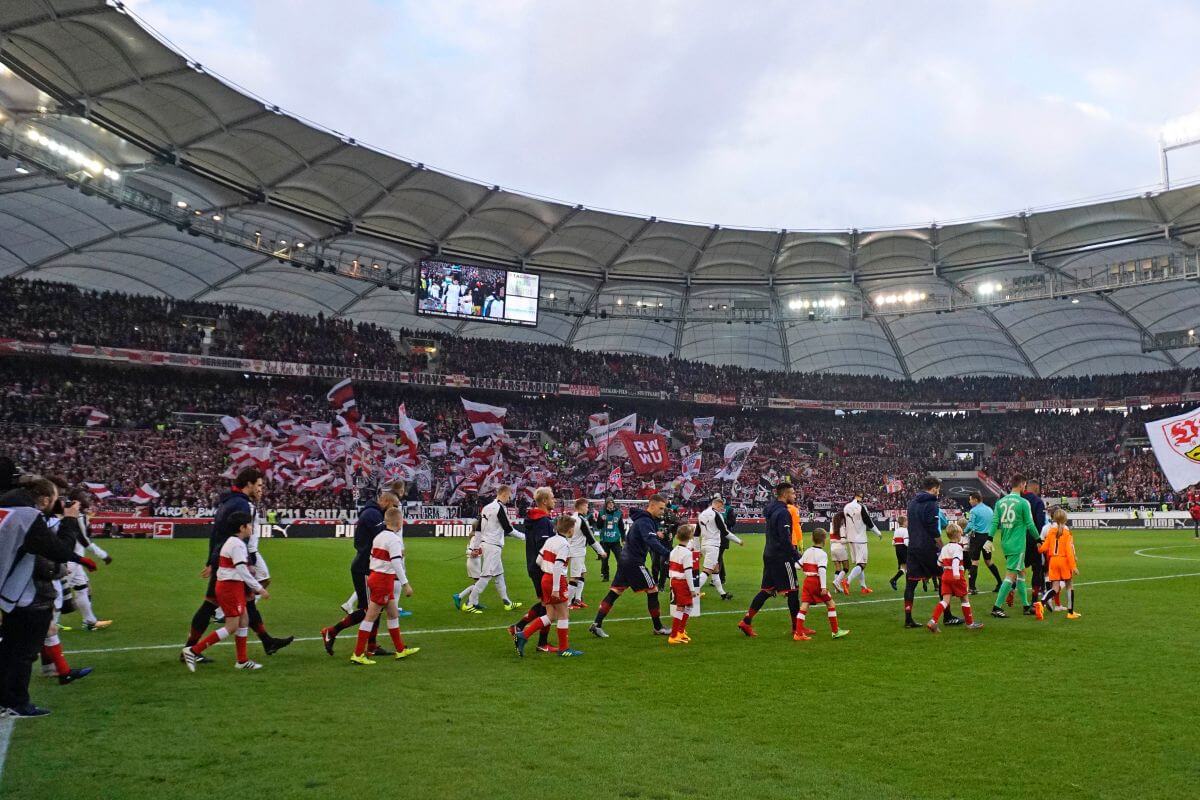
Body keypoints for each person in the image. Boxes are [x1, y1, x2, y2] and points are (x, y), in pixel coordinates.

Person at [0, 477, 97, 717]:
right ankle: (18, 703)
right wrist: (71, 519)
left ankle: (5, 699)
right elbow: (58, 550)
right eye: (54, 498)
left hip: (8, 590)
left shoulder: (8, 509)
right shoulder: (28, 516)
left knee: (9, 650)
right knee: (23, 653)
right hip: (24, 593)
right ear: (44, 499)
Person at [186, 469, 292, 659]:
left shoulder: (228, 502)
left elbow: (215, 533)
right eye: (258, 484)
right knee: (210, 605)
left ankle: (267, 641)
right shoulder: (242, 505)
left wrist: (211, 560)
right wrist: (247, 562)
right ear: (249, 484)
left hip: (223, 559)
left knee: (248, 602)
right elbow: (240, 536)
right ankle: (191, 649)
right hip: (232, 562)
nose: (260, 488)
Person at [182, 512, 268, 671]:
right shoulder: (236, 545)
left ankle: (242, 661)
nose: (251, 527)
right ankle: (193, 650)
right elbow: (242, 570)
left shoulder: (234, 542)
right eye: (249, 525)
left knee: (244, 620)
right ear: (242, 528)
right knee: (232, 626)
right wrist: (259, 588)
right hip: (230, 588)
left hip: (232, 586)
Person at [321, 489, 399, 656]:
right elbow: (382, 539)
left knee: (374, 607)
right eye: (394, 505)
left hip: (368, 566)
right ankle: (332, 631)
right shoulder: (373, 514)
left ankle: (371, 646)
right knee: (370, 609)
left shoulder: (373, 513)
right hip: (364, 567)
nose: (396, 510)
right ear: (385, 501)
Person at [588, 494, 672, 639]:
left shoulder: (643, 520)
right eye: (661, 508)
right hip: (634, 562)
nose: (662, 511)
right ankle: (658, 627)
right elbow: (650, 540)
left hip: (625, 560)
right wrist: (669, 553)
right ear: (652, 506)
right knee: (653, 590)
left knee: (615, 592)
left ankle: (597, 624)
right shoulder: (645, 521)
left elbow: (647, 537)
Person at [350, 507, 420, 664]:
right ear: (399, 522)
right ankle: (358, 653)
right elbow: (396, 562)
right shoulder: (394, 539)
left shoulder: (379, 536)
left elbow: (372, 556)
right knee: (371, 616)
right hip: (383, 580)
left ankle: (400, 650)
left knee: (393, 614)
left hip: (377, 577)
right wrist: (406, 584)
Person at [737, 482, 803, 639]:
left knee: (767, 590)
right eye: (793, 493)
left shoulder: (772, 510)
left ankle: (746, 621)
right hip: (781, 557)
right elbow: (785, 539)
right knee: (793, 591)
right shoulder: (783, 512)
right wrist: (796, 556)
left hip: (769, 554)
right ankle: (797, 629)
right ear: (785, 494)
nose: (794, 496)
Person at [514, 516, 582, 658]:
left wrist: (547, 571)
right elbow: (558, 566)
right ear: (570, 530)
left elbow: (539, 560)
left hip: (545, 578)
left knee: (550, 615)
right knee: (564, 614)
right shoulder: (564, 544)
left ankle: (523, 635)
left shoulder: (549, 540)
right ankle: (564, 648)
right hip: (555, 580)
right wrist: (556, 587)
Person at [508, 487, 558, 653]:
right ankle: (541, 643)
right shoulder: (543, 522)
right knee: (550, 607)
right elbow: (544, 548)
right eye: (552, 497)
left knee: (546, 604)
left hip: (533, 566)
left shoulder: (534, 519)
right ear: (544, 501)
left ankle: (519, 627)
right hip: (541, 568)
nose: (555, 500)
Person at [460, 486, 525, 613]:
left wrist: (474, 547)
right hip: (493, 546)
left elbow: (478, 529)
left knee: (499, 575)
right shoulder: (499, 508)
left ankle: (507, 602)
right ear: (505, 494)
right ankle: (469, 603)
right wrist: (525, 537)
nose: (509, 498)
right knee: (486, 576)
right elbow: (509, 529)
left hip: (487, 544)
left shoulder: (486, 508)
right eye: (509, 495)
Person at [989, 474, 1043, 620]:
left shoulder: (1000, 502)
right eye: (1024, 485)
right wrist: (1038, 539)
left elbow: (994, 523)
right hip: (1017, 544)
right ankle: (997, 607)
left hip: (1006, 542)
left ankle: (1026, 606)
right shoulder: (1023, 502)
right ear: (1021, 485)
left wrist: (989, 539)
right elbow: (1031, 524)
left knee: (1021, 572)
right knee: (1011, 576)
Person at [902, 476, 950, 629]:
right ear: (934, 488)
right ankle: (947, 616)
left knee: (911, 583)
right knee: (944, 577)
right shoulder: (932, 503)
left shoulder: (912, 503)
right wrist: (941, 545)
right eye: (938, 489)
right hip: (928, 547)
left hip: (913, 546)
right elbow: (931, 527)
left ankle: (908, 619)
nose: (939, 492)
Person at [63, 489, 113, 631]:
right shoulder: (78, 517)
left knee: (83, 589)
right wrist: (103, 555)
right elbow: (85, 541)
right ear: (77, 500)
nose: (88, 499)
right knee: (57, 594)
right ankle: (48, 626)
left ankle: (89, 621)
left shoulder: (73, 514)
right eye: (84, 497)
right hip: (69, 560)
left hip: (75, 560)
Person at [926, 523, 983, 632]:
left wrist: (947, 567)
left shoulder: (945, 548)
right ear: (957, 535)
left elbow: (939, 563)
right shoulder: (958, 548)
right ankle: (970, 623)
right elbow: (956, 560)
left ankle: (933, 621)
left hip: (945, 575)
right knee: (965, 598)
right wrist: (956, 573)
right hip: (955, 575)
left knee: (945, 600)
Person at [795, 528, 848, 641]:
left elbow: (797, 566)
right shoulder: (822, 554)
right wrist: (823, 587)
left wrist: (806, 566)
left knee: (804, 605)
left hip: (807, 581)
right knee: (831, 604)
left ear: (812, 538)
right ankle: (835, 631)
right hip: (816, 582)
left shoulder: (808, 551)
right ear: (824, 539)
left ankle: (798, 633)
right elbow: (822, 570)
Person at [697, 495, 743, 600]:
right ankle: (690, 592)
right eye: (721, 507)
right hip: (713, 545)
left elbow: (696, 533)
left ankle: (723, 594)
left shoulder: (702, 515)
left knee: (716, 569)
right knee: (707, 570)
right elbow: (725, 532)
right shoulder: (716, 515)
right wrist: (738, 541)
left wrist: (698, 549)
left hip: (704, 544)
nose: (722, 510)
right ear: (717, 505)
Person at [1038, 508, 1080, 619]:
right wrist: (1074, 567)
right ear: (1065, 519)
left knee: (1055, 587)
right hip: (1064, 561)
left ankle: (1041, 603)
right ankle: (1070, 612)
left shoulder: (1051, 531)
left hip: (1053, 561)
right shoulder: (1066, 533)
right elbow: (1069, 551)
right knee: (1069, 585)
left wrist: (1039, 548)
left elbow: (1044, 547)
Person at [566, 498, 607, 609]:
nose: (587, 508)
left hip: (574, 550)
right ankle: (568, 603)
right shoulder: (581, 519)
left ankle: (577, 600)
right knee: (574, 577)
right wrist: (601, 552)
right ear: (582, 506)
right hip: (577, 552)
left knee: (582, 574)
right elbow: (591, 538)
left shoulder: (572, 518)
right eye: (587, 506)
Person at [843, 491, 882, 595]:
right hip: (860, 539)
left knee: (859, 564)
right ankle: (847, 581)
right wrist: (878, 532)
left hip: (850, 539)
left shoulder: (846, 507)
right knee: (862, 564)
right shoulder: (861, 507)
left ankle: (863, 587)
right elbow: (868, 522)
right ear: (860, 497)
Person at [964, 492, 1002, 595]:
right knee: (988, 561)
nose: (970, 501)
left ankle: (972, 588)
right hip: (988, 538)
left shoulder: (974, 510)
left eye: (970, 499)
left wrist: (963, 532)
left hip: (977, 538)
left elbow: (971, 525)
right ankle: (1000, 582)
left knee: (974, 562)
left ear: (976, 499)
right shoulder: (989, 509)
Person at [667, 524, 697, 645]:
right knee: (681, 608)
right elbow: (688, 572)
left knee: (688, 606)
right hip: (682, 582)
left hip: (674, 580)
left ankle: (680, 631)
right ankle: (674, 635)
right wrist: (692, 589)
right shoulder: (687, 553)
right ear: (690, 537)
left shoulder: (674, 550)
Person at [1022, 478, 1048, 607]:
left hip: (1018, 539)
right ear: (1037, 488)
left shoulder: (1019, 499)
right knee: (1037, 569)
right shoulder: (1038, 502)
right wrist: (1039, 539)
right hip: (1033, 539)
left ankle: (1010, 590)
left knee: (1017, 568)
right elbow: (1040, 522)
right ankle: (1034, 599)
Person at [594, 498, 625, 582]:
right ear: (606, 504)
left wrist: (623, 538)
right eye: (609, 503)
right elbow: (598, 526)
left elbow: (621, 527)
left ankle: (621, 576)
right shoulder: (601, 513)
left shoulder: (618, 513)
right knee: (604, 560)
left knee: (620, 559)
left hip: (615, 541)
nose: (611, 504)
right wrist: (601, 519)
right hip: (605, 541)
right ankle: (605, 576)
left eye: (612, 502)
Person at [828, 510, 850, 594]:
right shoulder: (842, 527)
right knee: (846, 567)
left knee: (837, 567)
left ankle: (836, 588)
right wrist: (850, 540)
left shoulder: (832, 526)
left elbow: (831, 538)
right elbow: (843, 541)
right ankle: (837, 582)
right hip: (840, 548)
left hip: (832, 548)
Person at [888, 514, 908, 591]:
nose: (908, 522)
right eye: (907, 521)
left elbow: (893, 543)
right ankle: (894, 580)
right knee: (908, 567)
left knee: (904, 567)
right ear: (904, 522)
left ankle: (894, 580)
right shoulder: (905, 530)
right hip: (904, 549)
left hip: (898, 550)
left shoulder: (896, 530)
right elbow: (906, 543)